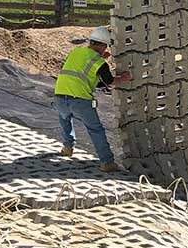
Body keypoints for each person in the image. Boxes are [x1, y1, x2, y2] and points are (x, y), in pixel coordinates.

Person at [53, 26, 130, 172]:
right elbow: (110, 82)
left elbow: (85, 73)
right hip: (80, 100)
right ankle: (107, 162)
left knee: (65, 119)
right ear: (103, 45)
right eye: (105, 46)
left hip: (59, 96)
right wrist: (124, 78)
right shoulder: (99, 63)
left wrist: (100, 57)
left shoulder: (76, 51)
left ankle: (67, 148)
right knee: (95, 130)